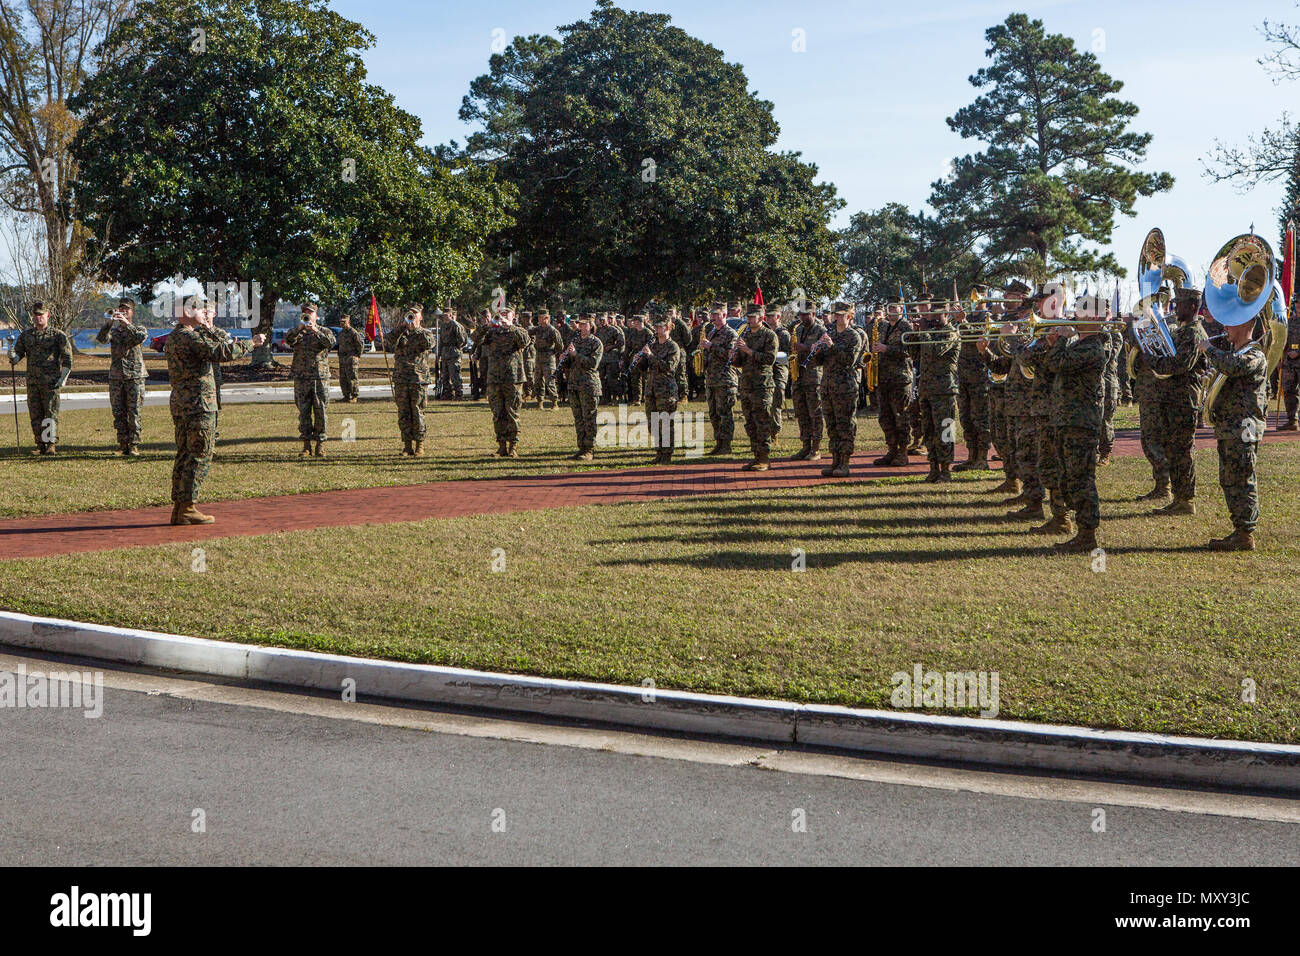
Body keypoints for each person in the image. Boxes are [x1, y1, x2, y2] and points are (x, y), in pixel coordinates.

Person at [165, 294, 265, 524]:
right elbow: (222, 352)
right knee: (200, 454)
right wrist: (253, 343)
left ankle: (180, 507)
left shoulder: (177, 336)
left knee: (185, 454)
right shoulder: (189, 338)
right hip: (198, 404)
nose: (205, 313)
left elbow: (216, 343)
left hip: (183, 403)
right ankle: (188, 507)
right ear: (189, 312)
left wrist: (208, 326)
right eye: (201, 309)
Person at [1198, 317, 1269, 550]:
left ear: (1246, 325)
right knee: (1229, 479)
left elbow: (1233, 367)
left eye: (1231, 324)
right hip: (1230, 427)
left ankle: (1245, 533)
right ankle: (1239, 530)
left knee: (1242, 479)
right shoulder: (1233, 353)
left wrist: (1209, 349)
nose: (1225, 328)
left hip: (1244, 427)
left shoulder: (1254, 354)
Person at [1041, 311, 1107, 552]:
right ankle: (1080, 531)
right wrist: (1054, 343)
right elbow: (1051, 367)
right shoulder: (1078, 345)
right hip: (1066, 421)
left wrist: (1058, 341)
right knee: (1068, 478)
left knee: (1081, 479)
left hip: (1080, 422)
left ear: (1092, 320)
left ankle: (1087, 535)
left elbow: (1059, 363)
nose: (1073, 317)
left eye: (1080, 314)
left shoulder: (1092, 348)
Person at [1145, 287, 1208, 515]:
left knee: (1182, 451)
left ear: (1192, 307)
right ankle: (1179, 498)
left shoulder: (1194, 333)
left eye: (1179, 304)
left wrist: (1152, 360)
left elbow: (1179, 365)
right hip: (1170, 397)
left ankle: (1186, 499)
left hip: (1183, 400)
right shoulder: (1181, 331)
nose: (1175, 308)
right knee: (1173, 450)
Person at [8, 302, 71, 455]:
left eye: (41, 315)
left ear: (48, 316)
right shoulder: (26, 335)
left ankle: (50, 444)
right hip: (33, 382)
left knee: (50, 413)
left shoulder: (57, 335)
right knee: (35, 414)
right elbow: (18, 355)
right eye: (36, 315)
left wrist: (63, 378)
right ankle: (40, 445)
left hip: (51, 383)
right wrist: (12, 356)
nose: (38, 318)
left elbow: (67, 359)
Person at [913, 301, 960, 482]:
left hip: (944, 389)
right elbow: (916, 354)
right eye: (931, 315)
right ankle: (933, 467)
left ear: (946, 315)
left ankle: (946, 470)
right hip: (926, 388)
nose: (932, 319)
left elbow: (936, 351)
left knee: (945, 430)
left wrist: (924, 330)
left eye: (936, 316)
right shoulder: (929, 333)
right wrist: (916, 334)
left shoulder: (950, 332)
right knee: (929, 430)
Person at [815, 302, 863, 477]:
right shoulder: (830, 333)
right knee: (832, 425)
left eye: (841, 315)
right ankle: (835, 460)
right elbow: (821, 361)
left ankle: (845, 462)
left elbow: (849, 360)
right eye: (835, 314)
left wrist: (832, 346)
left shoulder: (854, 336)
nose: (837, 318)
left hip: (845, 387)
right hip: (828, 387)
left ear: (849, 316)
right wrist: (817, 350)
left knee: (845, 425)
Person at [97, 297, 149, 456]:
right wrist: (109, 323)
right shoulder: (114, 331)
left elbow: (140, 338)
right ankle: (122, 444)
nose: (123, 311)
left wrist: (126, 323)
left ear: (132, 312)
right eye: (121, 309)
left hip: (134, 376)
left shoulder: (139, 328)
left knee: (134, 412)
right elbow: (101, 339)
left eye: (126, 309)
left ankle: (134, 445)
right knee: (118, 412)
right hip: (117, 376)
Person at [284, 301, 336, 458]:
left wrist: (314, 331)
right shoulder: (297, 332)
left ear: (316, 316)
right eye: (305, 312)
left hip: (319, 378)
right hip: (302, 378)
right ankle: (306, 445)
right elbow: (288, 341)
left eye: (310, 312)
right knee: (304, 412)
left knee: (320, 412)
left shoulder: (324, 331)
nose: (307, 315)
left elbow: (331, 343)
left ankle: (321, 444)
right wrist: (300, 328)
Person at [388, 305, 438, 456]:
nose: (412, 317)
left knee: (417, 411)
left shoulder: (425, 333)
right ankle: (407, 445)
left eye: (415, 314)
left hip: (418, 378)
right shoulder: (400, 333)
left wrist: (416, 328)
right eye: (410, 314)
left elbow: (430, 344)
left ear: (420, 317)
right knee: (404, 413)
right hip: (401, 378)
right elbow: (388, 340)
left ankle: (420, 444)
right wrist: (402, 327)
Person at [734, 304, 778, 471]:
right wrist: (736, 354)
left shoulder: (769, 335)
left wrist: (748, 350)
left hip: (762, 385)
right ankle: (756, 456)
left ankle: (764, 458)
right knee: (750, 422)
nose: (749, 320)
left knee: (762, 422)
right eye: (748, 317)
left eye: (753, 317)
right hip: (747, 384)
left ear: (761, 318)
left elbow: (769, 359)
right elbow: (740, 362)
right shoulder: (745, 334)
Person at [871, 296, 914, 466]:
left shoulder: (906, 327)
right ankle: (892, 449)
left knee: (900, 416)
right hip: (884, 378)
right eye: (889, 308)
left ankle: (903, 452)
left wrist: (886, 348)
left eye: (894, 308)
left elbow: (909, 351)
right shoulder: (883, 326)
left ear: (901, 309)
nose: (891, 311)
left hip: (900, 378)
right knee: (885, 416)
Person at [482, 307, 530, 457]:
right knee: (498, 413)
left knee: (512, 412)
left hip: (513, 378)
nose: (502, 316)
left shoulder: (518, 330)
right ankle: (501, 445)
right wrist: (488, 325)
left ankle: (513, 446)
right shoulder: (492, 332)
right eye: (500, 314)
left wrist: (510, 326)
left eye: (506, 314)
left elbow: (525, 342)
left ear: (513, 316)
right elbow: (476, 338)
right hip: (495, 378)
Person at [640, 316, 683, 463]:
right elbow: (645, 367)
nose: (657, 330)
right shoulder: (653, 345)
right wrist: (640, 359)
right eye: (656, 327)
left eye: (660, 327)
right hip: (651, 389)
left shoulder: (673, 347)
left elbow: (669, 367)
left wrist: (651, 356)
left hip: (666, 390)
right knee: (653, 423)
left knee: (665, 423)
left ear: (668, 328)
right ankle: (658, 451)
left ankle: (667, 453)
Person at [954, 307, 991, 471]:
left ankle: (982, 458)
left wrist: (963, 322)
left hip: (979, 376)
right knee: (966, 418)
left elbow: (979, 338)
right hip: (963, 375)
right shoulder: (966, 316)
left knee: (980, 419)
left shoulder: (988, 318)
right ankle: (971, 456)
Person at [788, 305, 827, 461]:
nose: (803, 318)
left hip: (813, 377)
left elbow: (823, 353)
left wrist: (805, 348)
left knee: (815, 413)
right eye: (801, 315)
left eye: (806, 315)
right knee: (801, 412)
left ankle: (816, 448)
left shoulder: (821, 331)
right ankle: (805, 446)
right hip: (799, 376)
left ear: (813, 313)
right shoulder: (798, 330)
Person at [700, 302, 738, 455]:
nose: (713, 318)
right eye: (712, 315)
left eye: (716, 314)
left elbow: (731, 355)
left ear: (724, 314)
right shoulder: (711, 332)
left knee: (725, 414)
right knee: (714, 414)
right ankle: (718, 443)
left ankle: (726, 445)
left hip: (725, 379)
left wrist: (711, 347)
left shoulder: (731, 334)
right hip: (712, 379)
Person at [564, 313, 603, 460]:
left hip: (589, 385)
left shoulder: (596, 343)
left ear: (591, 326)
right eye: (580, 325)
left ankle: (589, 450)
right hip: (574, 384)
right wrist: (566, 358)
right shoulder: (575, 341)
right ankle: (581, 447)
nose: (581, 327)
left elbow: (592, 364)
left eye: (584, 325)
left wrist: (575, 355)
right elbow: (570, 363)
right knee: (578, 418)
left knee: (589, 418)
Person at [765, 308, 791, 442]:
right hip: (766, 369)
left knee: (777, 398)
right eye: (767, 316)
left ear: (778, 316)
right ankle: (766, 432)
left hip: (780, 368)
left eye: (771, 316)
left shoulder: (784, 334)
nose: (768, 318)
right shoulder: (764, 332)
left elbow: (787, 354)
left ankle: (775, 431)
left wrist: (772, 356)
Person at [531, 311, 564, 409]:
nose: (540, 320)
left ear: (547, 318)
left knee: (550, 381)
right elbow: (527, 332)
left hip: (549, 358)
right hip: (539, 357)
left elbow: (560, 345)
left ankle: (554, 403)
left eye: (542, 318)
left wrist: (553, 352)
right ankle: (540, 402)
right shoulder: (537, 329)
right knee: (538, 380)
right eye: (539, 318)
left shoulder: (552, 330)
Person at [437, 308, 467, 400]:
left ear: (450, 315)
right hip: (445, 352)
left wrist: (457, 347)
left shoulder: (456, 325)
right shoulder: (442, 326)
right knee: (445, 375)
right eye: (443, 315)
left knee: (455, 374)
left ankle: (459, 394)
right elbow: (441, 341)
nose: (444, 316)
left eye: (446, 315)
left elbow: (462, 340)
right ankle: (447, 393)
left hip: (454, 352)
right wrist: (438, 354)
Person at [623, 314, 652, 406]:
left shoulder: (648, 333)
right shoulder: (633, 332)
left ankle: (646, 397)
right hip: (635, 356)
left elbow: (652, 346)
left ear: (640, 322)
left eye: (636, 322)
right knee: (635, 378)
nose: (634, 324)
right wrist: (625, 357)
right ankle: (637, 399)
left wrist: (644, 354)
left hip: (645, 357)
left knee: (646, 379)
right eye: (634, 322)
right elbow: (628, 346)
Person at [336, 315, 366, 403]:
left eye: (344, 322)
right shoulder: (341, 333)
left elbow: (360, 345)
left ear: (348, 322)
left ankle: (354, 395)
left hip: (351, 358)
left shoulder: (353, 332)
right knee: (343, 378)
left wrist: (357, 356)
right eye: (341, 322)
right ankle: (346, 395)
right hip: (343, 358)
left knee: (352, 377)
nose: (342, 324)